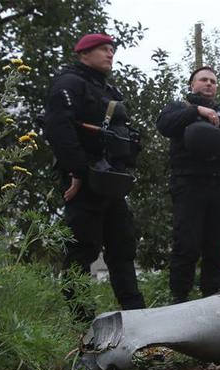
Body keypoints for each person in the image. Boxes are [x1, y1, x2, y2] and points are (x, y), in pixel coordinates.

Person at [43, 33, 145, 317]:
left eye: (112, 50)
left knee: (122, 248)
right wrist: (76, 171)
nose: (110, 54)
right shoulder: (70, 83)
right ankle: (82, 324)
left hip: (110, 179)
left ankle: (137, 316)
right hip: (85, 180)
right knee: (81, 252)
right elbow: (57, 129)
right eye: (103, 49)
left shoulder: (107, 90)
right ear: (83, 53)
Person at [156, 66, 220, 304]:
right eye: (203, 79)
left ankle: (212, 299)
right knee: (186, 244)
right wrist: (197, 111)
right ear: (192, 84)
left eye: (213, 80)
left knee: (217, 245)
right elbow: (165, 125)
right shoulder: (179, 108)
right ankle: (179, 299)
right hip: (189, 184)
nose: (209, 83)